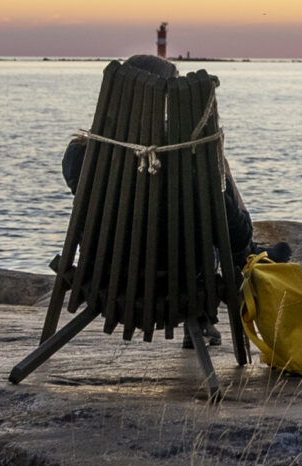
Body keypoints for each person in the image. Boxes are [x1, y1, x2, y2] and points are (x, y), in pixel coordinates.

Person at [60, 52, 254, 346]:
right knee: (228, 234)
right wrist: (218, 166)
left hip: (111, 279)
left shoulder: (80, 155)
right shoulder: (193, 160)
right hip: (183, 285)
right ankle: (206, 310)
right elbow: (237, 234)